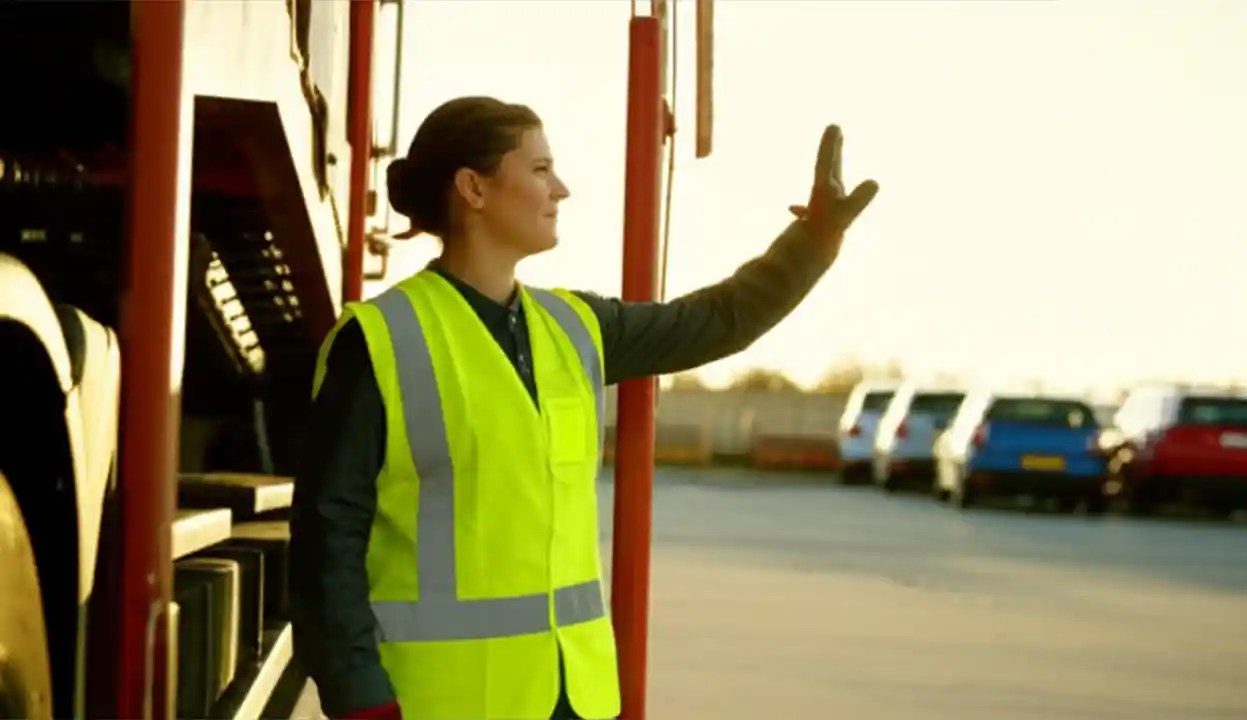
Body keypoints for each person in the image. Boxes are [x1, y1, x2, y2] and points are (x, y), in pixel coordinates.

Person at [288, 95, 878, 720]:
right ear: (473, 188)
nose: (561, 189)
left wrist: (813, 239)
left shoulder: (576, 327)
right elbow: (328, 536)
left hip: (575, 696)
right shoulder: (381, 340)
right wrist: (359, 696)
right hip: (443, 703)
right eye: (540, 169)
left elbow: (716, 319)